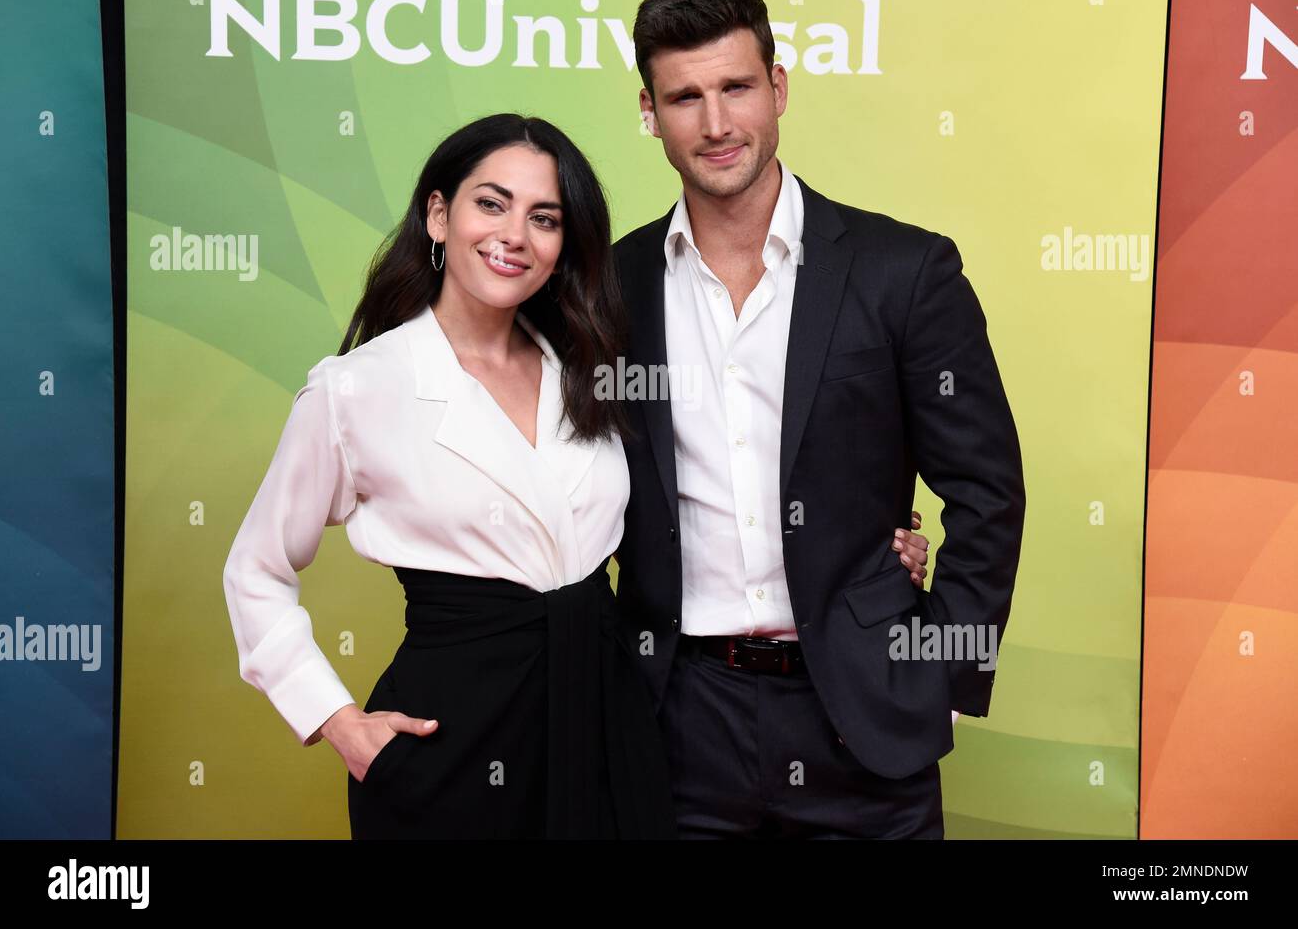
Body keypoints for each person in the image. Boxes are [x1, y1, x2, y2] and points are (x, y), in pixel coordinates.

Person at [222, 112, 934, 839]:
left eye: (545, 218)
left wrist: (872, 544)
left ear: (564, 245)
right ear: (438, 215)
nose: (514, 236)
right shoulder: (356, 390)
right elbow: (255, 569)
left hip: (610, 718)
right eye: (490, 204)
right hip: (453, 737)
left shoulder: (590, 365)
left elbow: (710, 479)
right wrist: (335, 720)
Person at [611, 0, 1027, 839]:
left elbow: (988, 490)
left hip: (865, 715)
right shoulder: (611, 287)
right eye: (685, 97)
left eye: (736, 87)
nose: (717, 123)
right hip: (679, 720)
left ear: (779, 87)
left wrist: (937, 681)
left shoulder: (903, 272)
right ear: (649, 111)